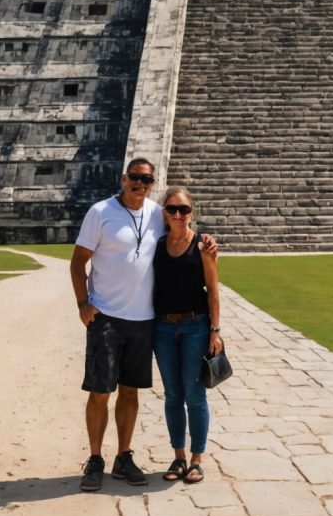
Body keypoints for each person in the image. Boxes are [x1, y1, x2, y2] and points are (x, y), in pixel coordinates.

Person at [69, 159, 217, 493]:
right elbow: (78, 262)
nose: (140, 183)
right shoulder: (100, 211)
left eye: (147, 179)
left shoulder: (157, 213)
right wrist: (83, 303)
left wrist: (207, 239)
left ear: (153, 183)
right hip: (106, 315)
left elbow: (184, 230)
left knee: (130, 391)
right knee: (100, 391)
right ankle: (95, 458)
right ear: (124, 179)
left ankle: (124, 455)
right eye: (135, 178)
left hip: (144, 319)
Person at [152, 187, 223, 485]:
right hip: (164, 328)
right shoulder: (156, 246)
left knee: (195, 395)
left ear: (192, 212)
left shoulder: (203, 247)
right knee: (172, 395)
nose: (178, 215)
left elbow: (213, 290)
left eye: (183, 209)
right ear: (164, 213)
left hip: (196, 326)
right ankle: (179, 455)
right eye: (172, 209)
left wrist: (215, 331)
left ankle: (197, 459)